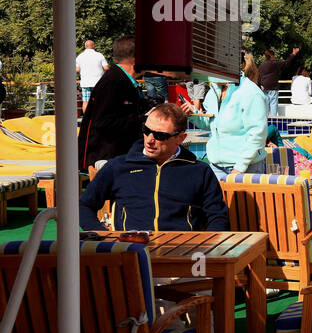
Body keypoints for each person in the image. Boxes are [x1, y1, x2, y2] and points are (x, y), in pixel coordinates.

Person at [79, 103, 229, 232]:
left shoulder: (199, 171)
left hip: (183, 254)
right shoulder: (119, 166)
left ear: (180, 138)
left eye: (160, 136)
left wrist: (206, 249)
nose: (150, 140)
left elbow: (217, 217)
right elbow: (82, 205)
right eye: (146, 131)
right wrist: (102, 237)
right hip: (130, 253)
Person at [186, 53, 268, 180]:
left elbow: (257, 135)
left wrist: (239, 168)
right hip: (216, 166)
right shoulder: (214, 90)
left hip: (245, 167)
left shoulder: (251, 93)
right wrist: (193, 114)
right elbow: (210, 123)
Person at [78, 36, 147, 170]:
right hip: (101, 159)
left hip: (116, 155)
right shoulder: (113, 82)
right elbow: (103, 122)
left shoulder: (122, 80)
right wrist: (143, 119)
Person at [258, 47, 300, 115]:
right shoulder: (274, 64)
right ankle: (273, 123)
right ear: (271, 56)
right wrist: (293, 54)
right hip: (273, 88)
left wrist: (260, 85)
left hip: (264, 88)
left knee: (265, 107)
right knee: (273, 105)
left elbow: (258, 76)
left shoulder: (261, 65)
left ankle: (265, 122)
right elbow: (286, 63)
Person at [75, 39, 108, 105]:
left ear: (85, 46)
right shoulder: (99, 55)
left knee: (86, 103)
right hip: (98, 83)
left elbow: (77, 70)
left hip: (86, 83)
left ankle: (87, 115)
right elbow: (106, 68)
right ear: (93, 46)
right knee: (100, 102)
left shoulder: (80, 56)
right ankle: (98, 115)